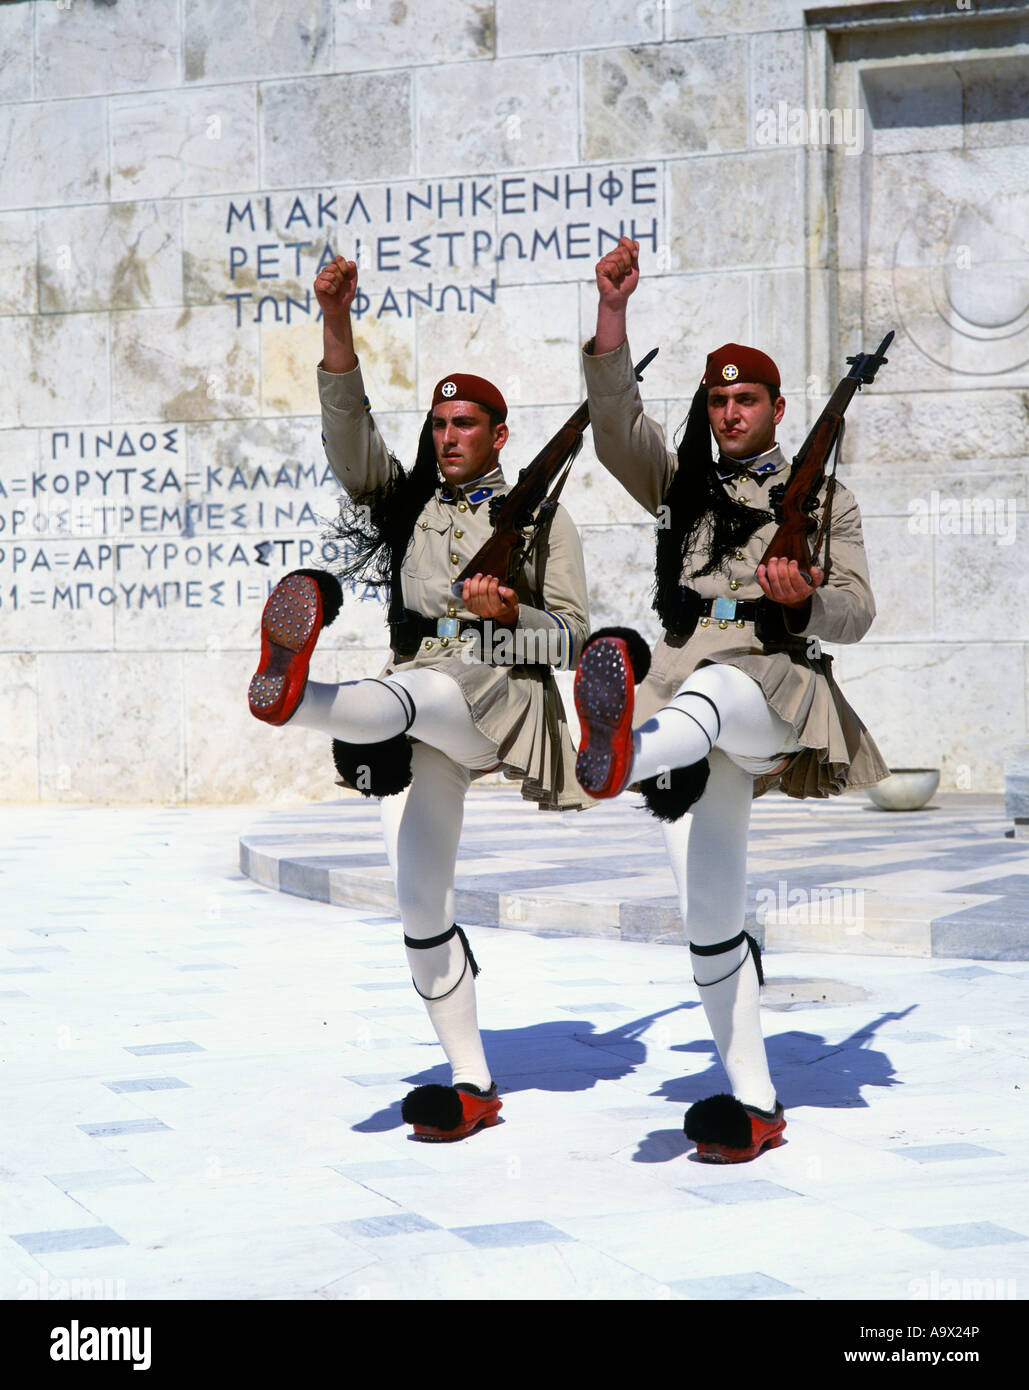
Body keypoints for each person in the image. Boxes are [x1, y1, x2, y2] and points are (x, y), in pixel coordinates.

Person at [247, 256, 590, 1142]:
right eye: (437, 423)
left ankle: (299, 697)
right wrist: (335, 319)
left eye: (464, 423)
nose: (446, 436)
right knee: (418, 903)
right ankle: (470, 1082)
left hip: (494, 707)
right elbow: (347, 429)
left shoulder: (540, 519)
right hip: (415, 713)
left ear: (499, 435)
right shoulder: (404, 508)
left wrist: (510, 611)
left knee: (419, 689)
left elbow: (573, 640)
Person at [574, 237, 888, 1163]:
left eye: (744, 398)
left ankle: (622, 752)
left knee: (713, 687)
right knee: (706, 914)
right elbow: (609, 426)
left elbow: (859, 614)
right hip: (677, 685)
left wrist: (808, 597)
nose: (728, 411)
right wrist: (613, 313)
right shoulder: (683, 488)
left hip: (771, 684)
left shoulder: (824, 497)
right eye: (716, 400)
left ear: (777, 409)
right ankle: (751, 1104)